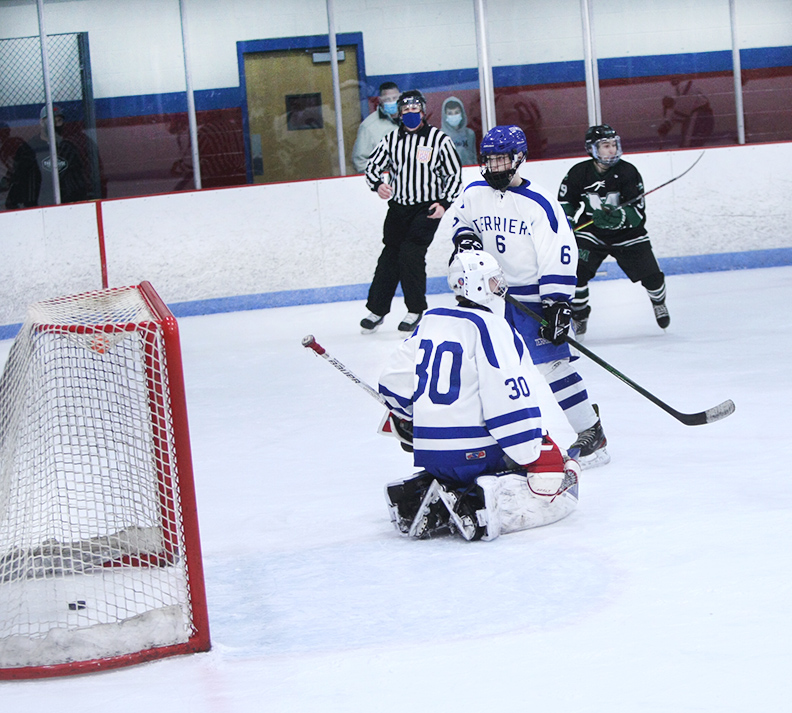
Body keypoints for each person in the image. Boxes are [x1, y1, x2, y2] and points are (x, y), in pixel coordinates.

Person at [378, 250, 580, 541]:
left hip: (431, 454)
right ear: (478, 285)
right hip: (479, 456)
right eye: (495, 282)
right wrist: (533, 450)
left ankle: (427, 492)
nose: (500, 288)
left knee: (454, 468)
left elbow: (391, 387)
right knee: (556, 472)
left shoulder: (430, 321)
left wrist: (414, 418)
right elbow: (510, 399)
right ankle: (478, 504)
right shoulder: (492, 328)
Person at [447, 125, 609, 469]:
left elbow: (559, 254)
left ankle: (591, 433)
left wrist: (557, 304)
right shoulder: (475, 191)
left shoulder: (540, 204)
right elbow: (461, 220)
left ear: (519, 159)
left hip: (533, 298)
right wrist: (465, 238)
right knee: (483, 367)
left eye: (502, 159)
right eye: (489, 160)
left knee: (553, 365)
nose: (495, 167)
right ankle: (489, 442)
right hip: (488, 298)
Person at [361, 89, 463, 334]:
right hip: (398, 208)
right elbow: (372, 167)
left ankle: (415, 309)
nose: (410, 113)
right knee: (389, 257)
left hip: (426, 208)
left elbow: (454, 175)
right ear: (399, 113)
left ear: (423, 111)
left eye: (414, 109)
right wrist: (378, 185)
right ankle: (377, 310)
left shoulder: (439, 140)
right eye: (405, 110)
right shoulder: (391, 140)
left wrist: (444, 203)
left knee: (410, 255)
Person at [558, 124, 669, 335]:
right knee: (576, 272)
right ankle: (580, 314)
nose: (611, 150)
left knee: (653, 277)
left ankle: (659, 302)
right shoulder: (578, 172)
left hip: (628, 235)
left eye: (613, 145)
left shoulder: (628, 172)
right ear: (592, 149)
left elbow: (637, 213)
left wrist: (618, 218)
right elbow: (565, 202)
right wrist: (568, 221)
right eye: (605, 146)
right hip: (591, 233)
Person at [4, 105, 86, 209]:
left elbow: (78, 180)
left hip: (66, 206)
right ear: (42, 122)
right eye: (52, 120)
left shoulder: (68, 148)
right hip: (36, 206)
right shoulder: (28, 149)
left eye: (59, 120)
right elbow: (17, 179)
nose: (56, 124)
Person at [351, 82, 401, 173]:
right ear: (380, 100)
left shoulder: (412, 120)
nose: (392, 102)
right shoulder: (368, 126)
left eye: (395, 98)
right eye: (387, 99)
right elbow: (360, 162)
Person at [657, 78, 714, 148]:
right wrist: (667, 125)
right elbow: (681, 109)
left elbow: (684, 107)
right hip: (700, 117)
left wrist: (667, 125)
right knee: (691, 145)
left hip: (699, 116)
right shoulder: (681, 90)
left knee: (688, 146)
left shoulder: (685, 85)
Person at [440, 96, 476, 165]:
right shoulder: (439, 135)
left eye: (456, 112)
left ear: (462, 114)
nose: (453, 116)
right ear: (445, 115)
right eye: (450, 113)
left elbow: (473, 158)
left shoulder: (470, 134)